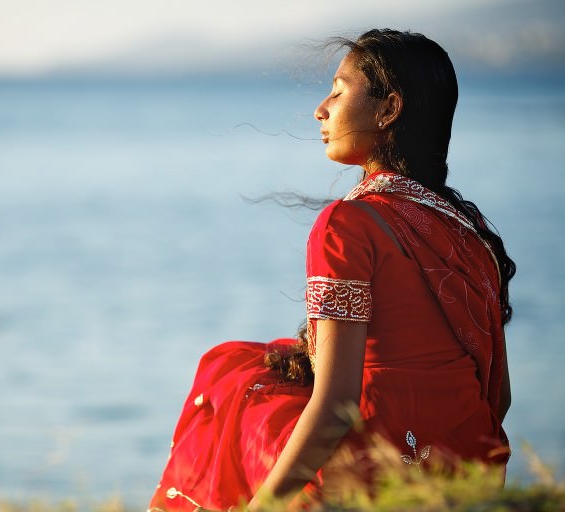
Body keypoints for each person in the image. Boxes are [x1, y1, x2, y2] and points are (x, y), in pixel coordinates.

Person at [148, 28, 515, 511]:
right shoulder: (468, 231)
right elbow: (499, 395)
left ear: (388, 110)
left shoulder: (347, 224)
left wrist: (264, 507)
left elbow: (337, 406)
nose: (321, 109)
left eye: (339, 91)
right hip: (472, 469)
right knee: (270, 359)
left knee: (231, 376)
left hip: (377, 478)